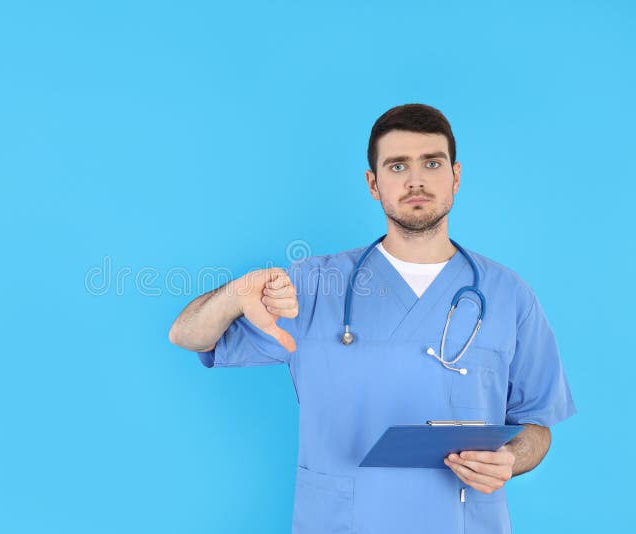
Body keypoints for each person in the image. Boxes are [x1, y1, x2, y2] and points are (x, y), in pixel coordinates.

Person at [168, 103, 576, 534]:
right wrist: (234, 294)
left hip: (463, 521)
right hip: (343, 522)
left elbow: (537, 425)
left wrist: (512, 459)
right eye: (397, 166)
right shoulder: (311, 287)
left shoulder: (509, 295)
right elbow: (187, 335)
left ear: (456, 176)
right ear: (373, 184)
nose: (416, 179)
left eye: (431, 163)